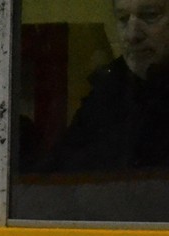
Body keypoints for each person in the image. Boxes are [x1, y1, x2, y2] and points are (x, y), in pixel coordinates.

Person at [42, 0, 169, 173]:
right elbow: (58, 171)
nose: (132, 35)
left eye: (150, 15)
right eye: (123, 19)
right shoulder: (106, 94)